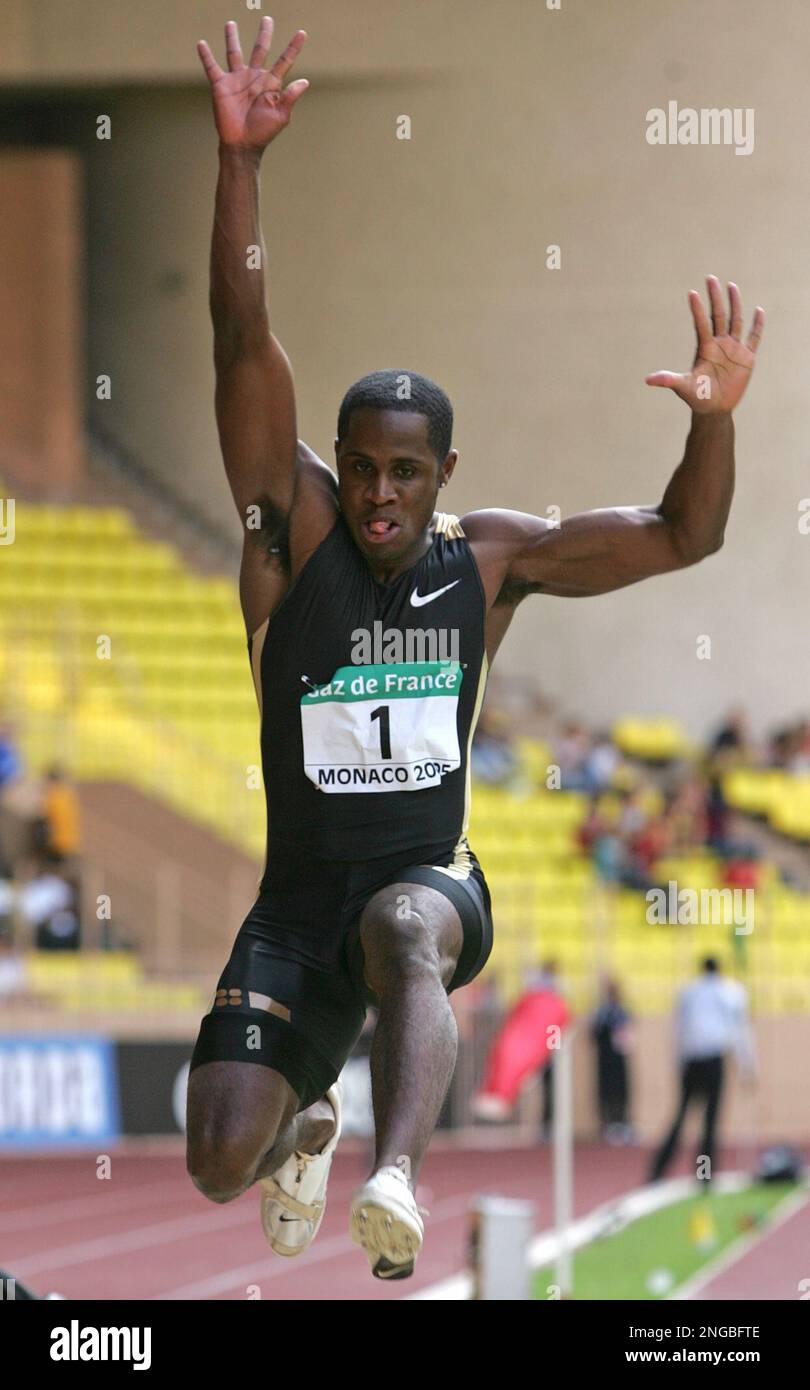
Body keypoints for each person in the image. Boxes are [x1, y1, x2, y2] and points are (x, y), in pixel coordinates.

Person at [188, 15, 765, 1280]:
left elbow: (684, 536)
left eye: (409, 471)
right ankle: (310, 1118)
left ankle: (394, 1168)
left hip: (430, 890)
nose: (383, 494)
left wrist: (713, 421)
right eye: (363, 469)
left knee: (403, 924)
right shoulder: (290, 541)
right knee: (215, 1156)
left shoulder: (490, 562)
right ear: (334, 470)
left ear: (448, 472)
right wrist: (241, 164)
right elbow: (240, 342)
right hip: (294, 906)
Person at [649, 958, 755, 1183]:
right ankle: (703, 1174)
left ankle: (658, 1170)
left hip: (691, 1060)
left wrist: (676, 1063)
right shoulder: (731, 992)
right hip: (713, 1060)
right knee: (710, 1120)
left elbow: (678, 1030)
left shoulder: (689, 992)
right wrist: (747, 1067)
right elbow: (740, 1031)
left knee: (681, 1116)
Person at [590, 978, 634, 1142]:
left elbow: (628, 1032)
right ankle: (608, 1123)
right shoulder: (601, 1011)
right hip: (605, 1057)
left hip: (620, 1057)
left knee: (622, 1089)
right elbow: (594, 1032)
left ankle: (622, 1122)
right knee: (606, 1090)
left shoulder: (623, 1010)